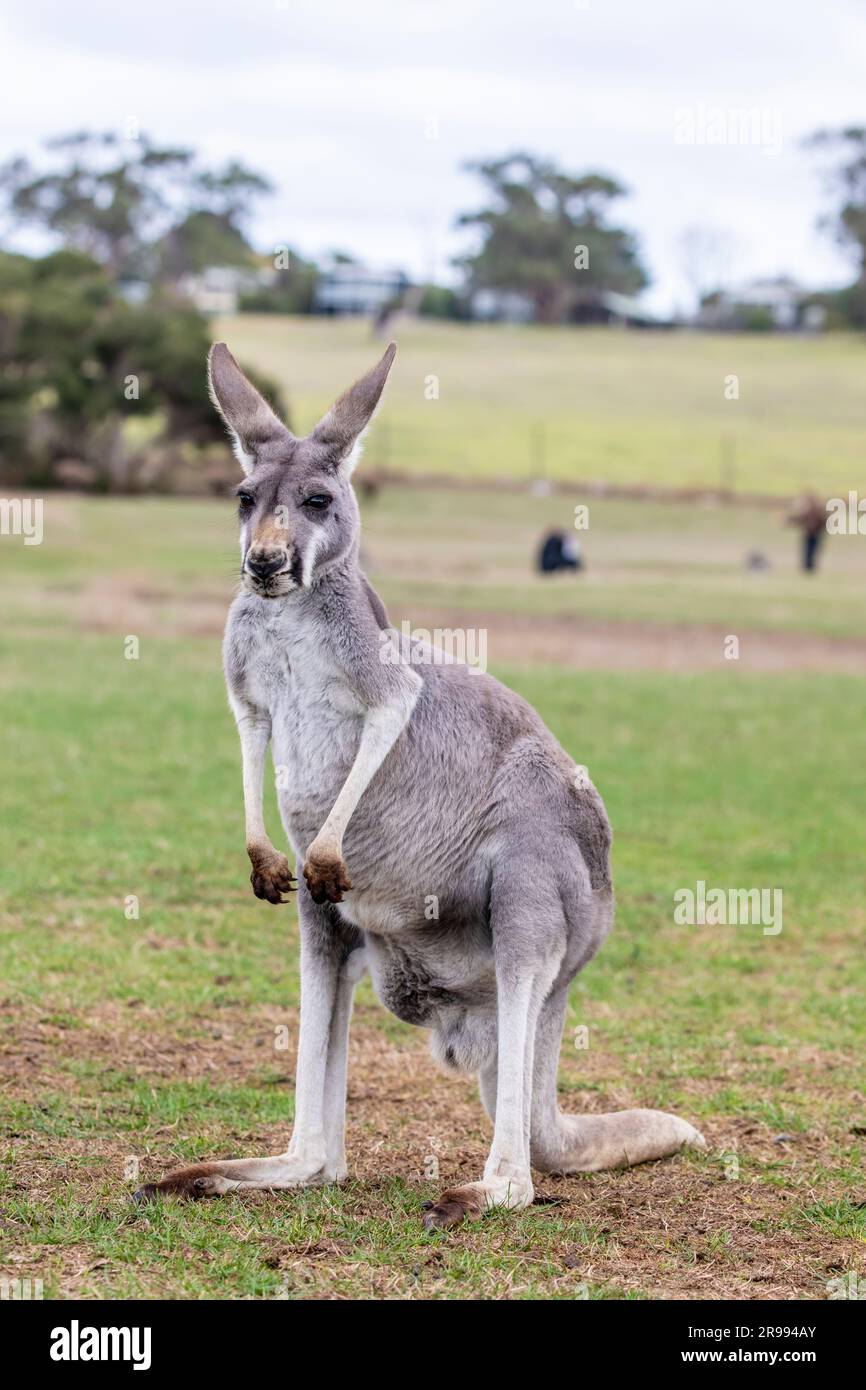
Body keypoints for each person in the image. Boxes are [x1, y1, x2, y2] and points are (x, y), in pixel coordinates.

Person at [786, 493, 827, 573]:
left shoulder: (818, 510)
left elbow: (824, 521)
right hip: (809, 533)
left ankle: (810, 567)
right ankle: (807, 567)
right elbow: (799, 519)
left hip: (816, 534)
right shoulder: (809, 510)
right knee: (807, 551)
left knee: (813, 551)